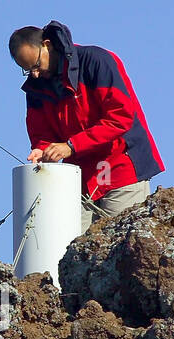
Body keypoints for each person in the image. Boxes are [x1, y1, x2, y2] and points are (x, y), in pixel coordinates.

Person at [9, 20, 165, 234]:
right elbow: (41, 132)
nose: (34, 74)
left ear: (47, 44)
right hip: (79, 180)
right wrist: (41, 149)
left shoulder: (97, 61)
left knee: (120, 247)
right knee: (70, 250)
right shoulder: (36, 87)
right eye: (27, 70)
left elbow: (120, 117)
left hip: (122, 170)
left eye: (36, 65)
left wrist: (71, 146)